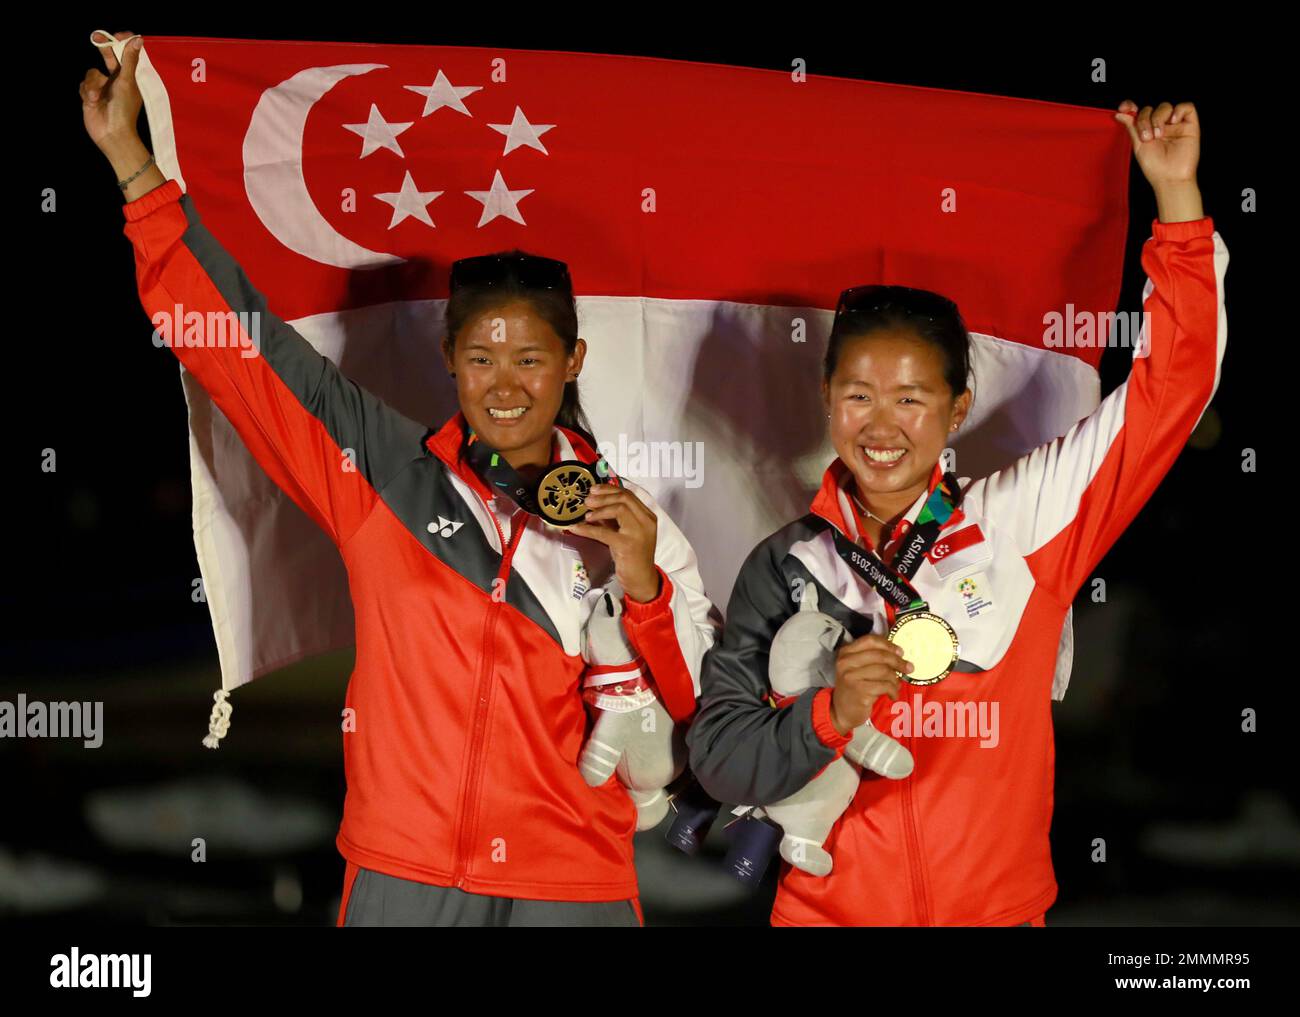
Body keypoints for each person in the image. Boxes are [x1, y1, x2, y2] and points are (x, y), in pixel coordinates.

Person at [82, 30, 720, 927]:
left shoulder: (628, 524)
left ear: (572, 359)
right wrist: (133, 168)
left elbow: (708, 721)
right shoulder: (383, 472)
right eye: (483, 357)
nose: (506, 385)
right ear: (449, 359)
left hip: (574, 886)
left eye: (531, 357)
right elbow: (244, 351)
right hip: (401, 874)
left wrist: (647, 585)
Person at [686, 98, 1226, 925]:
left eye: (911, 398)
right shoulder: (790, 563)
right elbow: (721, 759)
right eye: (859, 394)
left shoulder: (1024, 519)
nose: (881, 424)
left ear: (958, 406)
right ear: (827, 399)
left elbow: (1171, 391)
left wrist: (1177, 204)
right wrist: (830, 712)